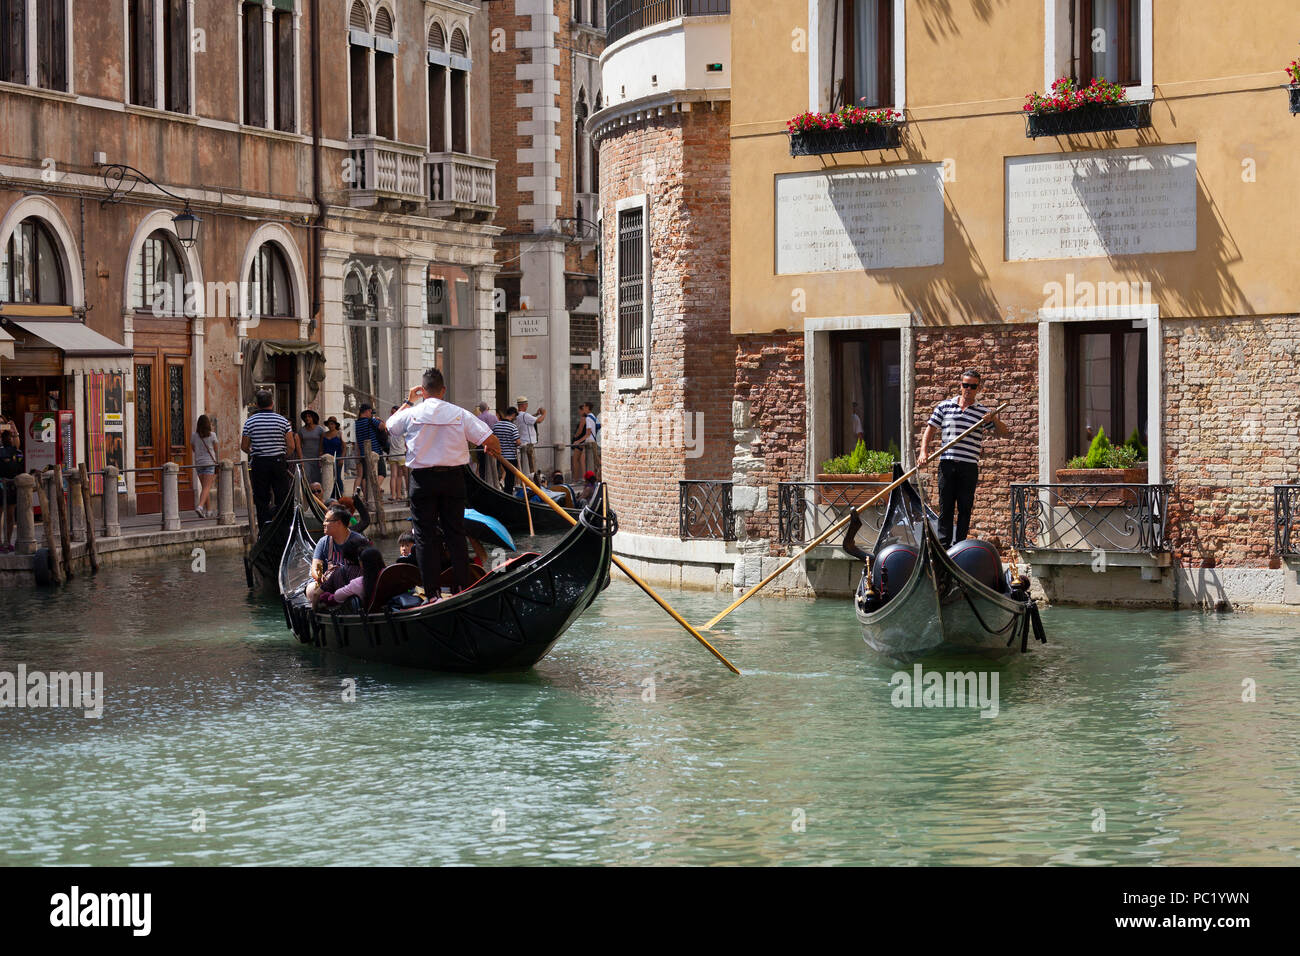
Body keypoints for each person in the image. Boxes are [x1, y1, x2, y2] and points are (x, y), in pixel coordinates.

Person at [386, 367, 503, 604]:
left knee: (424, 537)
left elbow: (389, 426)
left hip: (422, 481)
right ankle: (461, 587)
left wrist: (408, 401)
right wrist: (492, 447)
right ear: (443, 390)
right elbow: (491, 440)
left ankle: (432, 595)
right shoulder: (459, 413)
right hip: (453, 480)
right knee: (456, 534)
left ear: (423, 391)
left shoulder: (412, 412)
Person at [918, 369, 1009, 547]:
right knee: (946, 506)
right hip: (947, 463)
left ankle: (959, 544)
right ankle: (944, 545)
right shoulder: (944, 407)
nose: (968, 389)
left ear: (978, 388)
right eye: (965, 385)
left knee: (965, 507)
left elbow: (1004, 431)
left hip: (968, 466)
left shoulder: (983, 413)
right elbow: (930, 429)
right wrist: (923, 452)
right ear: (960, 385)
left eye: (972, 386)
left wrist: (994, 418)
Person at [241, 390, 294, 528]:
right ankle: (283, 526)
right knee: (282, 495)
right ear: (272, 403)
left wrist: (253, 451)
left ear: (257, 405)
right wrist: (282, 455)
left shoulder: (250, 422)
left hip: (260, 463)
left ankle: (264, 528)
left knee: (261, 497)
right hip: (278, 462)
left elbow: (244, 446)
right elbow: (291, 445)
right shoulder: (283, 421)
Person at [307, 504, 370, 605]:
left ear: (339, 523)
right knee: (311, 590)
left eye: (327, 520)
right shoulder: (323, 542)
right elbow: (315, 567)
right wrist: (320, 577)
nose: (324, 523)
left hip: (352, 584)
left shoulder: (359, 541)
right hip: (330, 583)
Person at [322, 545, 386, 610]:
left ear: (362, 564)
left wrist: (327, 596)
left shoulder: (358, 583)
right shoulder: (388, 574)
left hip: (369, 613)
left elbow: (337, 596)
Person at [352, 403, 389, 498]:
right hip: (375, 451)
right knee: (382, 473)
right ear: (368, 411)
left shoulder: (356, 423)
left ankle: (366, 497)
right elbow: (383, 427)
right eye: (371, 412)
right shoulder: (371, 421)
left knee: (365, 476)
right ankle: (374, 490)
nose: (371, 414)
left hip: (363, 452)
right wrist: (380, 420)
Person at [0, 430, 24, 551]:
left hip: (3, 486)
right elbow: (20, 465)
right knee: (10, 516)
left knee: (4, 515)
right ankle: (7, 542)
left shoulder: (4, 451)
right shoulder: (17, 452)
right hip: (11, 486)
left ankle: (3, 543)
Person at [191, 414, 219, 519]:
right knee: (207, 487)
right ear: (208, 424)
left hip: (198, 463)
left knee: (204, 488)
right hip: (209, 464)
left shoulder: (194, 436)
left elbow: (193, 449)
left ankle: (209, 511)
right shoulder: (213, 435)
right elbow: (216, 449)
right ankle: (200, 507)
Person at [514, 396, 546, 478]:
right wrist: (544, 413)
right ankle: (532, 482)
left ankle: (524, 482)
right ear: (523, 405)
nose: (527, 406)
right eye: (526, 404)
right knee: (530, 467)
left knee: (523, 466)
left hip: (522, 443)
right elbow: (538, 421)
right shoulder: (525, 415)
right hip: (528, 444)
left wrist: (537, 414)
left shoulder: (517, 415)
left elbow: (529, 419)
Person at [492, 407, 521, 495]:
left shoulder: (496, 425)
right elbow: (518, 442)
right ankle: (508, 494)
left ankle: (500, 492)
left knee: (498, 476)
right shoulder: (513, 426)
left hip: (499, 456)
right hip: (511, 457)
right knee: (510, 479)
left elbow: (492, 438)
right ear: (513, 415)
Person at [320, 416, 346, 498]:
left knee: (337, 476)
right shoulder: (324, 434)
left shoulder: (340, 434)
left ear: (335, 425)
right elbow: (321, 447)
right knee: (327, 477)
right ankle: (329, 494)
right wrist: (319, 458)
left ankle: (340, 494)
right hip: (326, 458)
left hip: (337, 457)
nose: (330, 426)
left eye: (332, 424)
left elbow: (344, 447)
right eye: (329, 424)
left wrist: (342, 458)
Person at [298, 410, 325, 486]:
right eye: (305, 417)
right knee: (307, 476)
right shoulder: (301, 430)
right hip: (305, 457)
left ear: (313, 418)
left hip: (317, 457)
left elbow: (322, 443)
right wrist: (300, 457)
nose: (307, 418)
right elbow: (299, 444)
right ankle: (308, 494)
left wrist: (321, 453)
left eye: (309, 416)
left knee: (316, 477)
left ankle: (317, 495)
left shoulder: (320, 429)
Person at [387, 405, 409, 501]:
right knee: (405, 475)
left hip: (392, 453)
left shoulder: (389, 426)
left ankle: (394, 495)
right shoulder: (402, 426)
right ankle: (404, 495)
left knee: (393, 476)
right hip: (401, 453)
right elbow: (407, 441)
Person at [476, 402, 499, 485]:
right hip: (492, 444)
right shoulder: (493, 417)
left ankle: (483, 483)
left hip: (481, 444)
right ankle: (495, 484)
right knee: (494, 466)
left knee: (482, 466)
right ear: (488, 408)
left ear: (480, 409)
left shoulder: (477, 418)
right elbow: (497, 429)